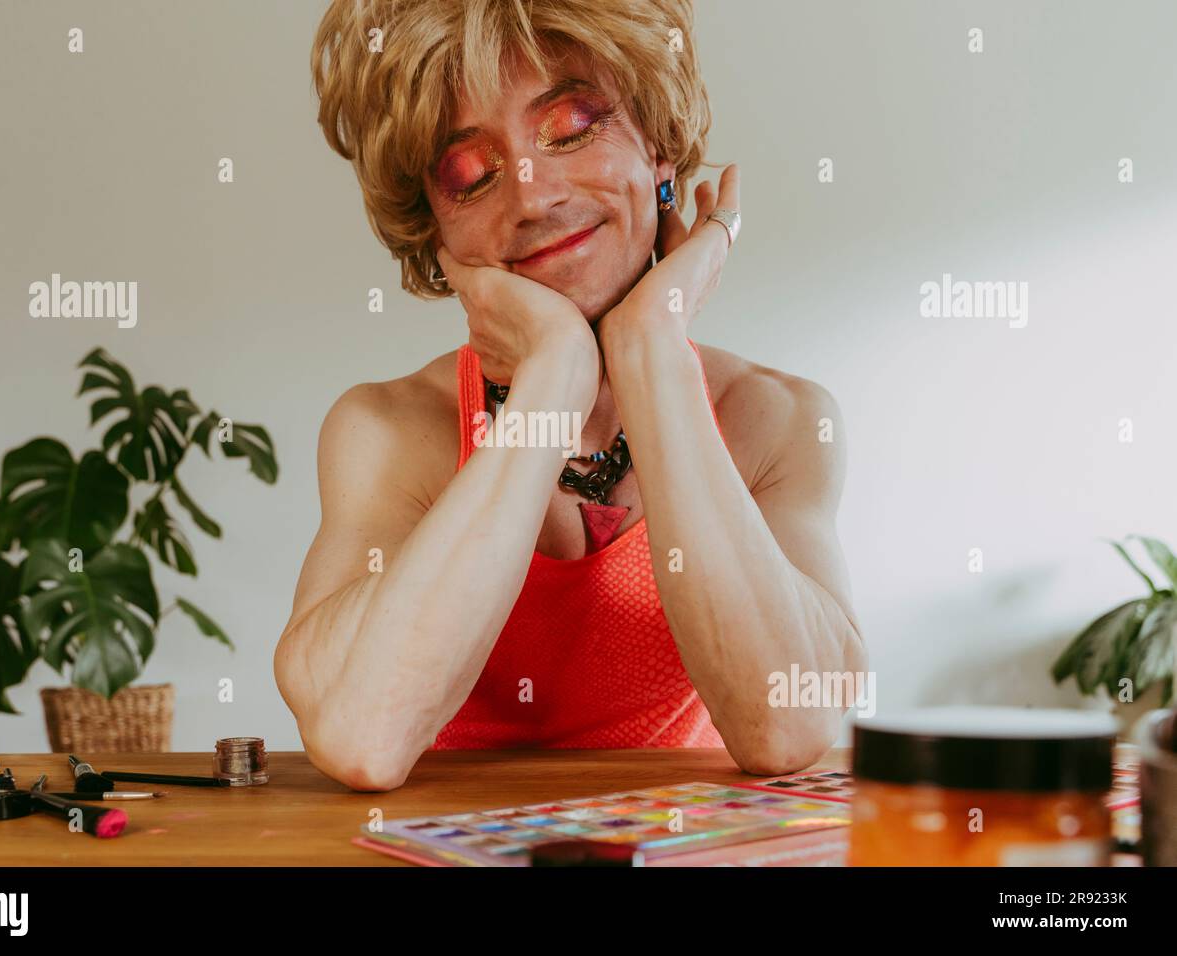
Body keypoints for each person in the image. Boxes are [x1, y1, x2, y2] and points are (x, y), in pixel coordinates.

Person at [275, 0, 865, 791]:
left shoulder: (781, 422)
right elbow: (363, 738)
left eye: (573, 125)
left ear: (658, 147)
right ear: (437, 235)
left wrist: (653, 347)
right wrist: (553, 371)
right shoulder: (386, 432)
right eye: (470, 174)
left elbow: (787, 725)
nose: (531, 197)